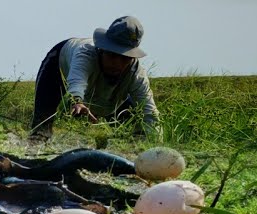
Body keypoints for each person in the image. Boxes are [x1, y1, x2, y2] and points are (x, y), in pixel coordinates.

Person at [30, 16, 160, 139]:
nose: (117, 64)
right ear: (103, 49)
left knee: (134, 127)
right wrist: (76, 101)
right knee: (42, 126)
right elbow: (77, 81)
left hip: (106, 97)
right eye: (112, 55)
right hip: (57, 64)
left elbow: (149, 112)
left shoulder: (136, 73)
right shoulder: (85, 55)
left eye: (125, 58)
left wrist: (156, 144)